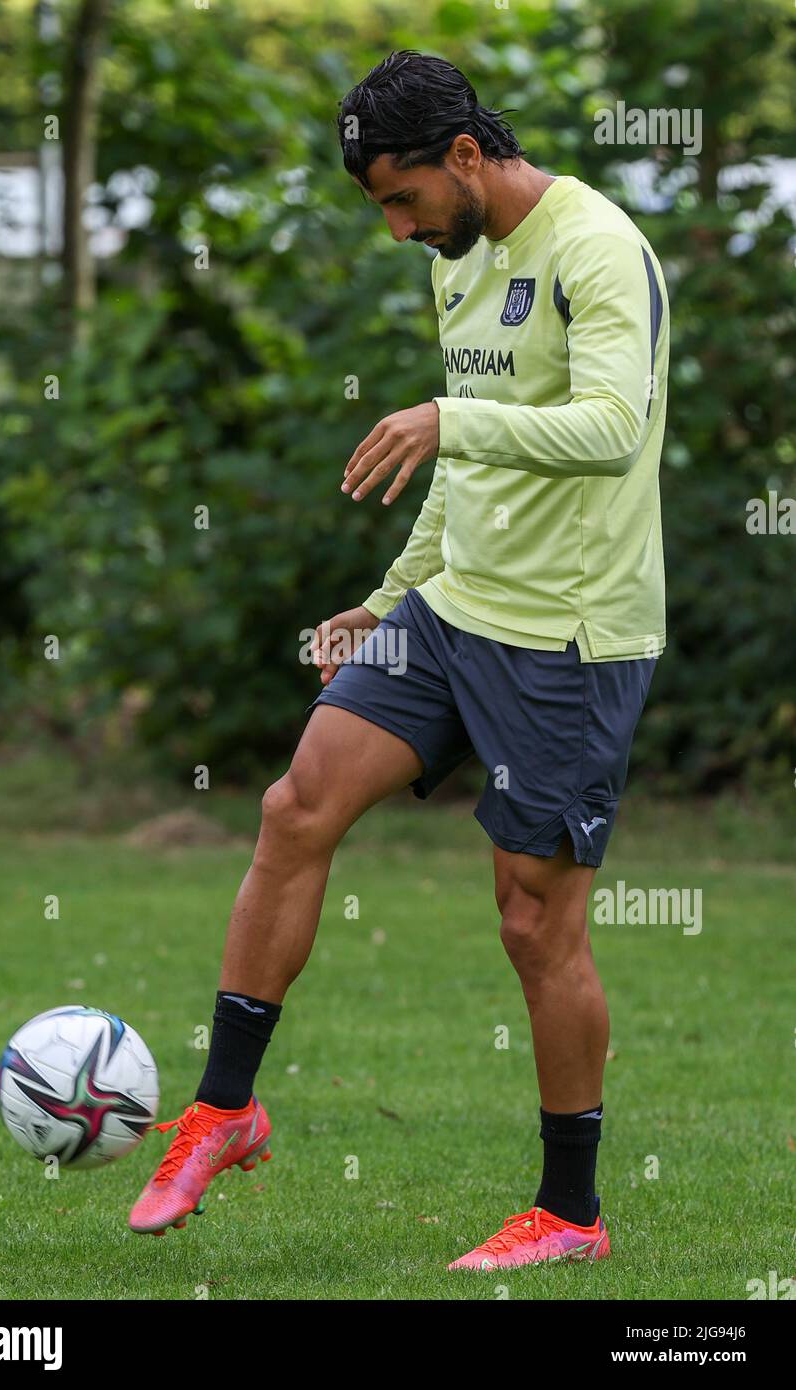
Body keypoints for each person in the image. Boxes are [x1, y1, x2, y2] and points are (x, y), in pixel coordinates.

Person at [129, 49, 669, 1271]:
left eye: (401, 197)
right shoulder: (458, 262)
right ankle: (224, 1109)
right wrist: (386, 603)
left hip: (571, 631)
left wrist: (446, 418)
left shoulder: (593, 247)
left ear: (466, 157)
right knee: (294, 805)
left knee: (535, 926)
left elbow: (613, 423)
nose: (396, 228)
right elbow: (466, 471)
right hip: (454, 605)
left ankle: (572, 1213)